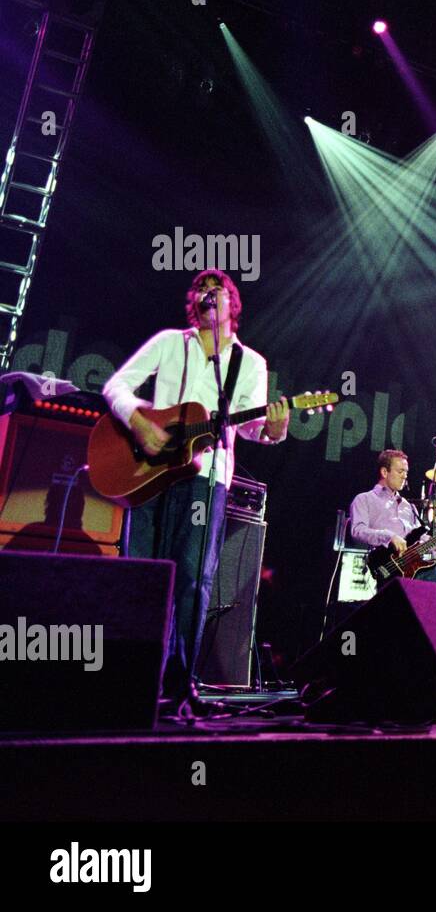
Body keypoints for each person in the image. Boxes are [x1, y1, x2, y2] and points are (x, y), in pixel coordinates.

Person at [103, 269, 289, 712]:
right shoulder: (171, 343)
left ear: (232, 304)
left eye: (218, 290)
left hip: (205, 480)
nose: (210, 296)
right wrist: (140, 423)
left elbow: (249, 425)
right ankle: (128, 675)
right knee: (140, 574)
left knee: (192, 578)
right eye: (202, 290)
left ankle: (177, 684)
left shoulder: (251, 364)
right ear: (195, 303)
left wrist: (273, 430)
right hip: (148, 474)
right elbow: (116, 386)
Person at [350, 449, 436, 582]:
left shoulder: (409, 506)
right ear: (384, 472)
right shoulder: (364, 499)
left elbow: (422, 541)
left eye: (406, 472)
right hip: (388, 567)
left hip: (415, 568)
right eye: (400, 471)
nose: (405, 476)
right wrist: (390, 537)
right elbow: (358, 531)